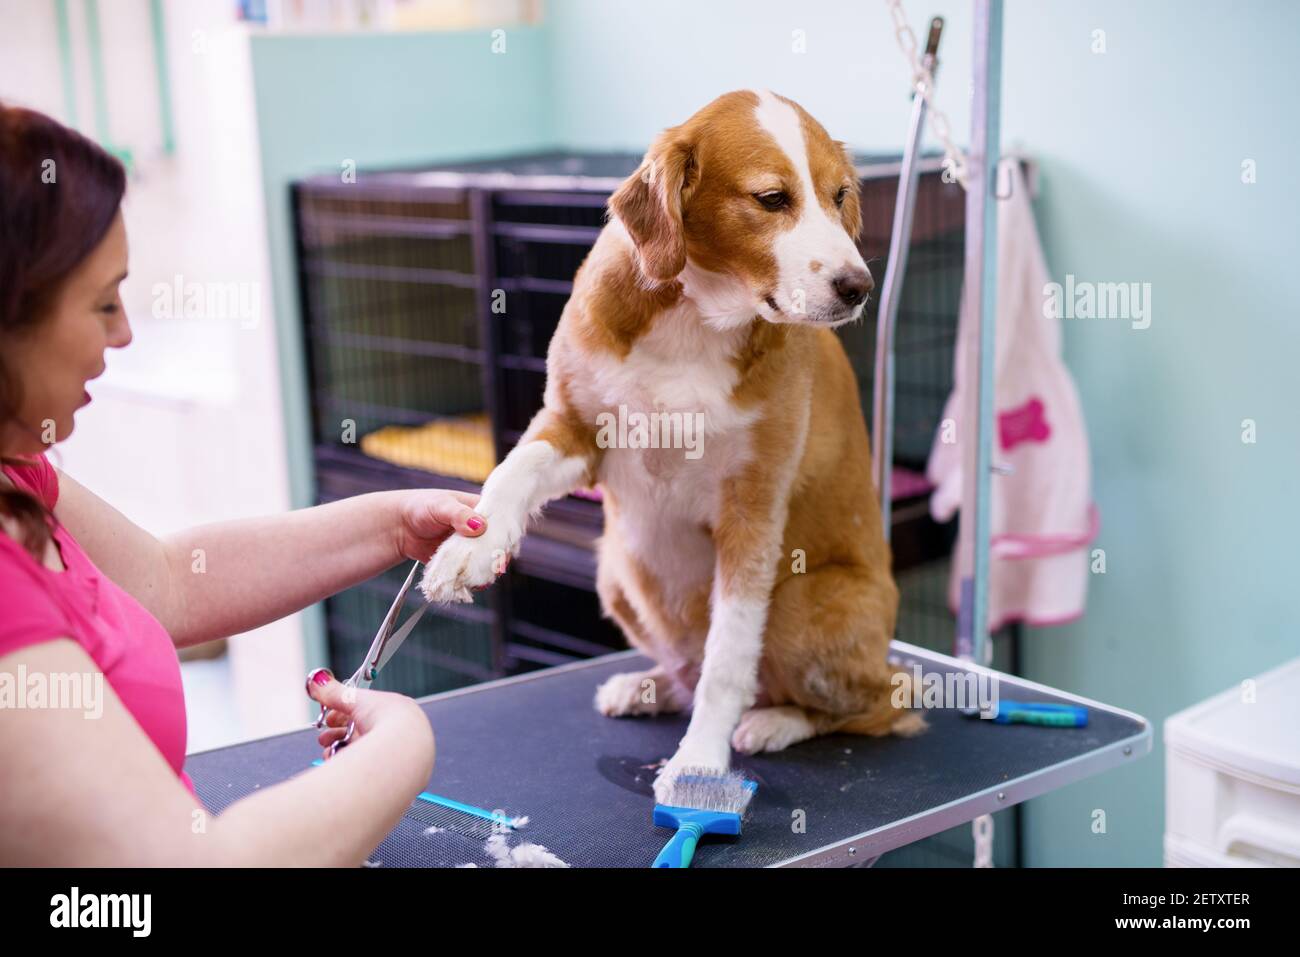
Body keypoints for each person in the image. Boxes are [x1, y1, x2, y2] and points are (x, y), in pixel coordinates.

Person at [0, 103, 485, 865]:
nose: (124, 332)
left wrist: (392, 526)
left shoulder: (16, 471)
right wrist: (402, 743)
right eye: (102, 302)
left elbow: (169, 582)